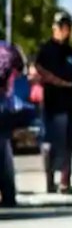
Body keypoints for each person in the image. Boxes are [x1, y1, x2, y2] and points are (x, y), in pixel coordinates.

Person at [33, 11, 72, 195]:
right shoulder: (46, 49)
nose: (67, 31)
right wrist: (63, 83)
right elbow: (39, 70)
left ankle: (65, 182)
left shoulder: (70, 51)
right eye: (64, 27)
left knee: (68, 143)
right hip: (54, 105)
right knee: (51, 144)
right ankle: (50, 181)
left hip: (71, 105)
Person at [0, 40, 25, 207]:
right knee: (3, 151)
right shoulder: (8, 49)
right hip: (3, 103)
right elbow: (20, 69)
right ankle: (9, 195)